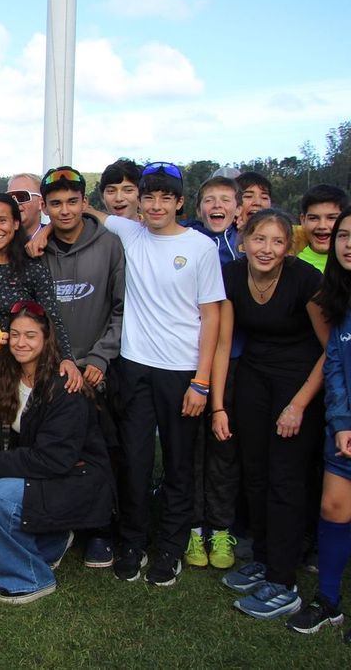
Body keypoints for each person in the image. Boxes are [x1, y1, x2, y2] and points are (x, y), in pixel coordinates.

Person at [33, 163, 225, 585]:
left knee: (177, 464)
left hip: (182, 371)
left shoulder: (200, 248)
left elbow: (212, 319)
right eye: (149, 197)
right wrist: (42, 230)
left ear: (179, 203)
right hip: (136, 365)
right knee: (136, 461)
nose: (156, 206)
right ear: (140, 201)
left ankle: (170, 548)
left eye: (165, 198)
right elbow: (83, 214)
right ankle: (133, 542)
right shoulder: (130, 233)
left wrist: (202, 381)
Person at [212, 210, 327, 619]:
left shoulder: (306, 281)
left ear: (288, 247)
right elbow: (223, 344)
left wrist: (298, 405)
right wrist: (219, 406)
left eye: (277, 242)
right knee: (255, 475)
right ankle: (263, 558)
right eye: (259, 239)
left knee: (285, 480)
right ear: (244, 240)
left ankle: (283, 582)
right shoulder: (231, 275)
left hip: (299, 383)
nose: (267, 249)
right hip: (254, 380)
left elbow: (331, 349)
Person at [0, 301, 114, 604]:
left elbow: (52, 459)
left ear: (45, 339)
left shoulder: (65, 386)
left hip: (78, 480)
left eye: (30, 336)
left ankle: (31, 578)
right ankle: (52, 542)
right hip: (47, 475)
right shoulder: (7, 375)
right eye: (14, 335)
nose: (20, 343)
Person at [38, 167, 125, 567]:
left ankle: (101, 530)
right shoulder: (36, 249)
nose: (65, 210)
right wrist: (58, 361)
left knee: (101, 450)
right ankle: (60, 524)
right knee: (56, 450)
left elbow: (123, 308)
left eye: (72, 201)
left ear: (84, 203)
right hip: (53, 368)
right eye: (55, 203)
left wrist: (99, 358)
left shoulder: (110, 244)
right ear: (45, 207)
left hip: (99, 366)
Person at [289, 205, 351, 638]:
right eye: (345, 236)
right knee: (333, 508)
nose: (348, 244)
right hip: (343, 427)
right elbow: (336, 365)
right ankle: (328, 601)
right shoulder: (340, 297)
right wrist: (342, 421)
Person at [0, 193, 82, 390]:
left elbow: (52, 317)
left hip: (21, 368)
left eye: (2, 221)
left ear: (16, 224)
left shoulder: (32, 268)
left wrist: (67, 359)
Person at [179, 176, 244, 571]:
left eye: (225, 200)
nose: (216, 206)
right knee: (190, 450)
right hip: (194, 359)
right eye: (209, 200)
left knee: (224, 449)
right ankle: (192, 525)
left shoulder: (247, 246)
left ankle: (221, 527)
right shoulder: (191, 240)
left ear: (239, 208)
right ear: (198, 207)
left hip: (237, 362)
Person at [297, 184, 348, 273]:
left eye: (331, 218)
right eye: (313, 218)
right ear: (303, 220)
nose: (322, 226)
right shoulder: (293, 267)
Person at [7, 173, 46, 239]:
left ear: (41, 203)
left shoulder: (58, 241)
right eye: (10, 198)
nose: (15, 202)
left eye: (22, 196)